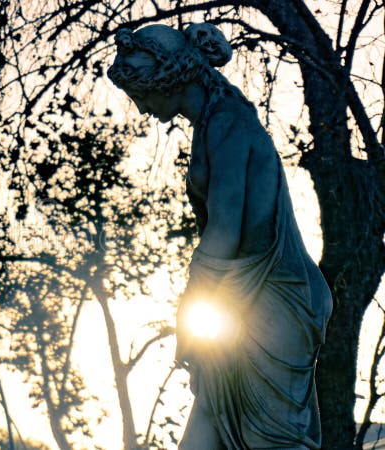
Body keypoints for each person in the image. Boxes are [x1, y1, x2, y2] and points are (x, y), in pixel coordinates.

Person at [107, 23, 333, 449]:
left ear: (166, 79)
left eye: (140, 93)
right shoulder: (214, 121)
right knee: (203, 436)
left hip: (275, 299)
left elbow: (225, 231)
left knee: (270, 442)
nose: (140, 108)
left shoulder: (228, 123)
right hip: (238, 298)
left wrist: (192, 306)